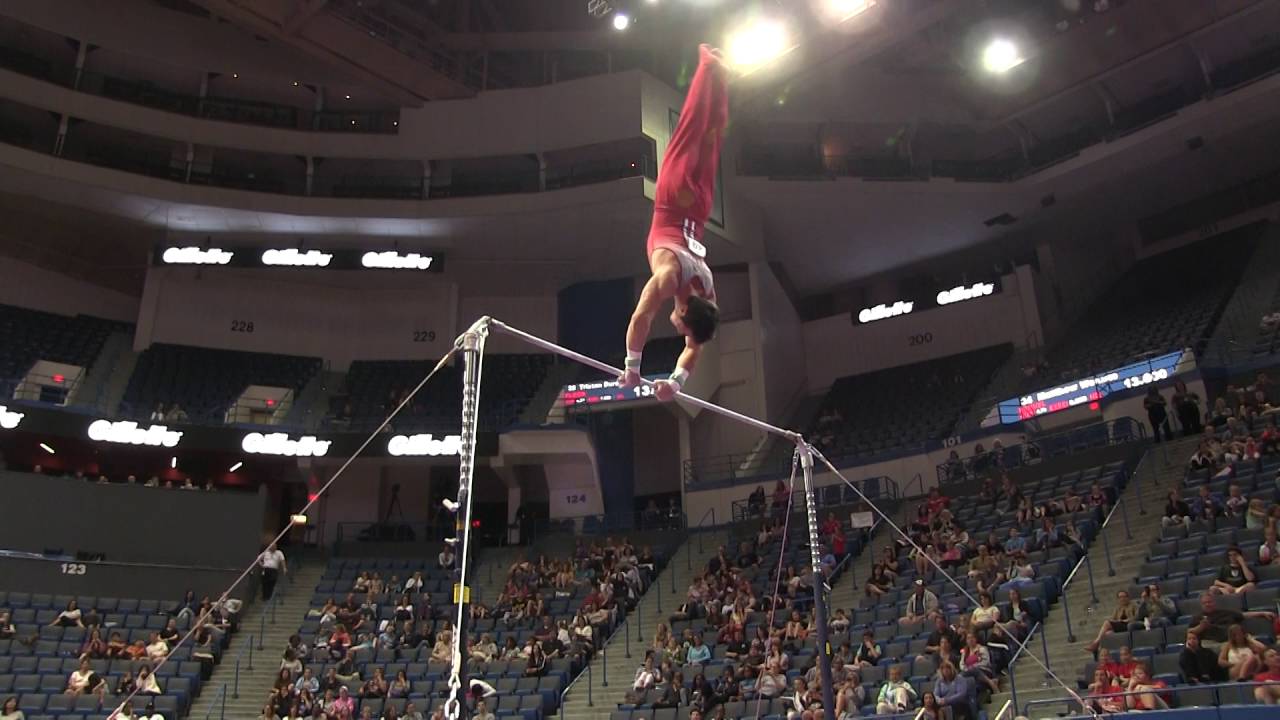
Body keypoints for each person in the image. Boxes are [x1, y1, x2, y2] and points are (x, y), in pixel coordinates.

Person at [617, 44, 726, 399]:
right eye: (681, 326)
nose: (678, 329)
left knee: (711, 138)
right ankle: (707, 65)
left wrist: (675, 383)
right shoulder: (668, 278)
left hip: (700, 208)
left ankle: (719, 76)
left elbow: (695, 347)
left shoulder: (707, 295)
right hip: (675, 198)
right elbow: (640, 320)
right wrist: (632, 368)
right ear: (681, 313)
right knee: (691, 128)